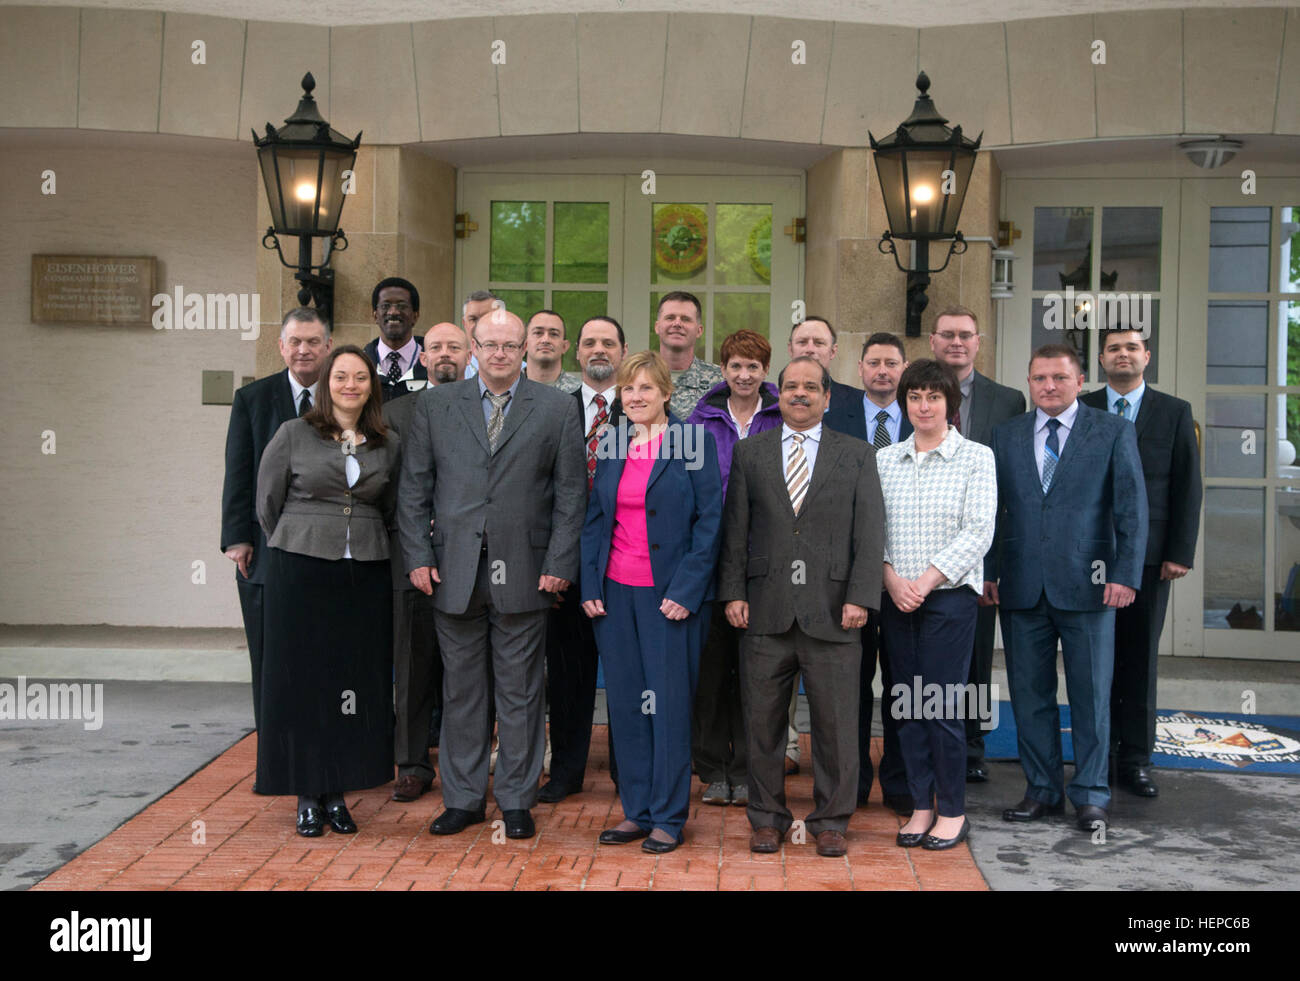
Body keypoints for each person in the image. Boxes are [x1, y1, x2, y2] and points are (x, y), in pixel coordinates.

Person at [398, 310, 586, 840]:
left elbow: (572, 494)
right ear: (473, 347)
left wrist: (559, 565)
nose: (500, 353)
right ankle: (462, 800)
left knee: (522, 691)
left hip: (527, 571)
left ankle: (517, 800)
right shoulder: (436, 405)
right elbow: (414, 488)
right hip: (451, 568)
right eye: (490, 344)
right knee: (461, 691)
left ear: (525, 347)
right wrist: (416, 556)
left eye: (510, 344)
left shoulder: (554, 407)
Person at [720, 356, 885, 858]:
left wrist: (861, 596)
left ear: (827, 397)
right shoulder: (751, 453)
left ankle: (831, 820)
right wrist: (733, 592)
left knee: (836, 725)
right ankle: (767, 818)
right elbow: (736, 531)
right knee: (763, 724)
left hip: (835, 611)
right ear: (780, 395)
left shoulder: (856, 455)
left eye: (810, 388)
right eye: (790, 386)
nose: (799, 394)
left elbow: (869, 530)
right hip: (765, 611)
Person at [992, 344, 1147, 833]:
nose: (1049, 386)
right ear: (1030, 383)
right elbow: (992, 512)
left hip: (1092, 586)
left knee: (1090, 695)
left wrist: (1124, 574)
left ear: (1080, 381)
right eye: (1039, 378)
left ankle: (1091, 794)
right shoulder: (1006, 435)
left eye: (1059, 377)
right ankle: (1042, 790)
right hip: (1021, 585)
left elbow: (1131, 510)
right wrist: (990, 571)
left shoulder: (1113, 431)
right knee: (1029, 695)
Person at [254, 345, 401, 837]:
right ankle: (306, 794)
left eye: (361, 377)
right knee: (304, 682)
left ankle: (338, 792)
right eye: (341, 376)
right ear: (326, 383)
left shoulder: (385, 441)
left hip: (363, 573)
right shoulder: (293, 434)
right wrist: (304, 539)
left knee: (350, 681)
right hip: (300, 570)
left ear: (371, 386)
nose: (351, 385)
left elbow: (392, 506)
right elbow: (268, 504)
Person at [581, 351, 723, 853]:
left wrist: (686, 591)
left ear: (666, 392)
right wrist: (591, 585)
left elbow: (710, 523)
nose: (635, 397)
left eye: (645, 388)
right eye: (627, 389)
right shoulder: (614, 440)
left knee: (667, 708)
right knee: (625, 707)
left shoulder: (692, 441)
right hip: (616, 594)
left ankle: (668, 816)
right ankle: (636, 812)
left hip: (671, 601)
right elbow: (596, 519)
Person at [876, 359, 996, 851]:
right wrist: (890, 579)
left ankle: (952, 810)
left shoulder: (976, 458)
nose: (924, 406)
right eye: (915, 397)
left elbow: (979, 532)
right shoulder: (884, 460)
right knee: (905, 706)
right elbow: (871, 530)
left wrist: (923, 582)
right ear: (905, 403)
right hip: (895, 599)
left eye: (934, 397)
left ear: (951, 404)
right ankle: (920, 805)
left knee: (942, 707)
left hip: (948, 601)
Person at [1081, 326, 1202, 798]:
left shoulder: (1173, 412)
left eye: (1132, 347)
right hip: (1089, 555)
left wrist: (1179, 551)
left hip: (1150, 560)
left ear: (1146, 356)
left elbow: (1187, 486)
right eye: (1114, 349)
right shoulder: (1083, 407)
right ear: (1102, 359)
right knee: (1092, 660)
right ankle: (1096, 757)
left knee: (1138, 660)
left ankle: (1134, 760)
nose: (1123, 355)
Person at [221, 308, 331, 736]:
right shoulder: (253, 399)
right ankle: (272, 746)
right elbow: (239, 470)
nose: (304, 350)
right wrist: (236, 539)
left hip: (327, 546)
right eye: (295, 342)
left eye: (312, 342)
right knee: (270, 655)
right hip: (266, 548)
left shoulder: (343, 394)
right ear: (281, 347)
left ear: (327, 346)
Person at [927, 305, 1026, 784]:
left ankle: (971, 745)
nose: (956, 343)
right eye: (947, 334)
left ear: (978, 342)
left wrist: (993, 567)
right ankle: (926, 741)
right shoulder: (916, 394)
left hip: (978, 554)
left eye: (965, 335)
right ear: (933, 341)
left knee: (977, 657)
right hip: (918, 549)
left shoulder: (1008, 401)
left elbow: (1008, 492)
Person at [687, 328, 783, 807]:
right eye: (736, 366)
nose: (744, 375)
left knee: (756, 673)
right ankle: (712, 768)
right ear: (722, 370)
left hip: (764, 562)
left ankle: (748, 768)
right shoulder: (699, 420)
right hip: (708, 558)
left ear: (765, 372)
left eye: (753, 367)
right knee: (710, 670)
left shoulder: (781, 417)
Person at [824, 328, 915, 813]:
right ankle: (852, 784)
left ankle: (900, 784)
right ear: (858, 370)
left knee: (901, 686)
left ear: (904, 370)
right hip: (846, 577)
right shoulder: (833, 417)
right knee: (850, 688)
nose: (883, 371)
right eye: (874, 363)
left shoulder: (923, 420)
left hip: (903, 578)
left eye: (892, 364)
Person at [539, 315, 628, 803]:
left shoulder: (641, 414)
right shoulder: (552, 410)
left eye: (608, 343)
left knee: (625, 677)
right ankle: (567, 772)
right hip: (566, 566)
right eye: (590, 341)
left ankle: (626, 772)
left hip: (625, 567)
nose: (599, 350)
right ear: (577, 352)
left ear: (623, 350)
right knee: (568, 677)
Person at [384, 322, 472, 803]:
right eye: (435, 347)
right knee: (414, 667)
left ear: (468, 355)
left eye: (454, 347)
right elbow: (396, 487)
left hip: (474, 558)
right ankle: (414, 763)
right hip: (413, 555)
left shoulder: (487, 406)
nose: (444, 355)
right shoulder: (397, 413)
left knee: (467, 671)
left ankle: (464, 762)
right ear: (422, 357)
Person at [654, 291, 722, 419]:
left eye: (686, 319)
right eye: (670, 318)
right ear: (657, 327)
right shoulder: (637, 376)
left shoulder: (720, 381)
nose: (677, 323)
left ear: (699, 330)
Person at [364, 277, 426, 403]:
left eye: (402, 306)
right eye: (385, 306)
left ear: (415, 316)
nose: (393, 312)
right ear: (375, 315)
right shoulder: (361, 363)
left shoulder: (432, 362)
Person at [524, 309, 581, 393]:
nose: (545, 340)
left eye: (554, 334)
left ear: (564, 347)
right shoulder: (508, 386)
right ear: (525, 344)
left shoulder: (579, 392)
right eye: (538, 333)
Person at [461, 289, 501, 379]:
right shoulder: (456, 369)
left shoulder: (520, 369)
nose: (479, 325)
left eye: (487, 318)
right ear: (464, 323)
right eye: (473, 319)